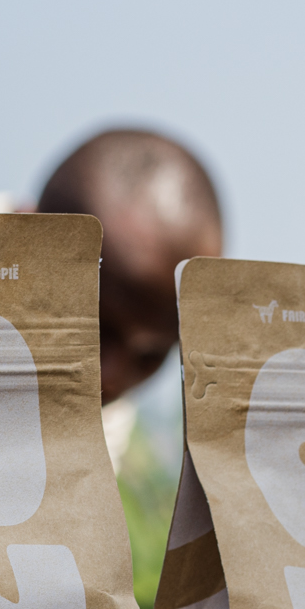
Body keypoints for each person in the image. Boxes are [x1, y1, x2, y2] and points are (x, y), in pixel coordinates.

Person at [35, 128, 224, 403]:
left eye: (150, 355)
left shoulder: (108, 427)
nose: (107, 378)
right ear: (12, 244)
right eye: (92, 329)